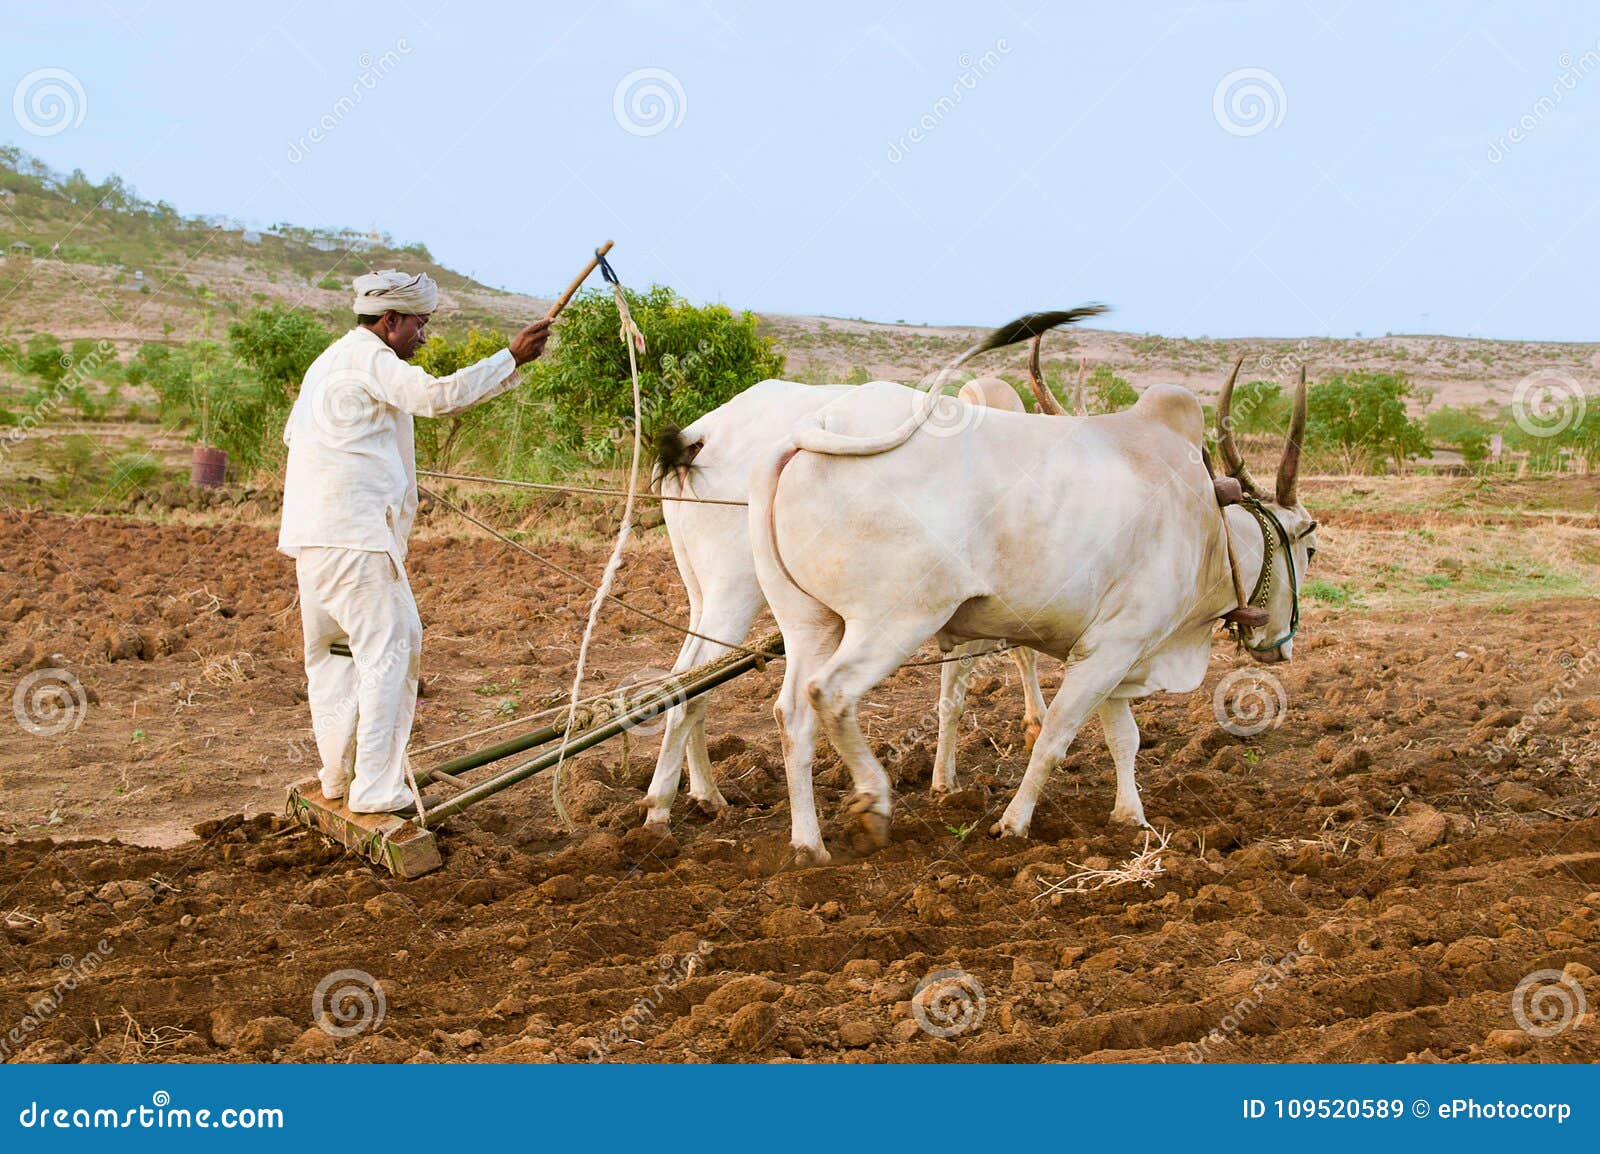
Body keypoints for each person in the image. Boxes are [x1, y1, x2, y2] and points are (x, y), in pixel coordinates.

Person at [278, 270, 551, 813]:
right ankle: (376, 789)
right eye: (419, 325)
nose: (423, 336)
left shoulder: (328, 363)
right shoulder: (369, 359)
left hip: (316, 542)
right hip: (356, 543)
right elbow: (436, 396)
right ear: (390, 320)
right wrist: (511, 358)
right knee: (391, 651)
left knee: (337, 658)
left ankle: (339, 778)